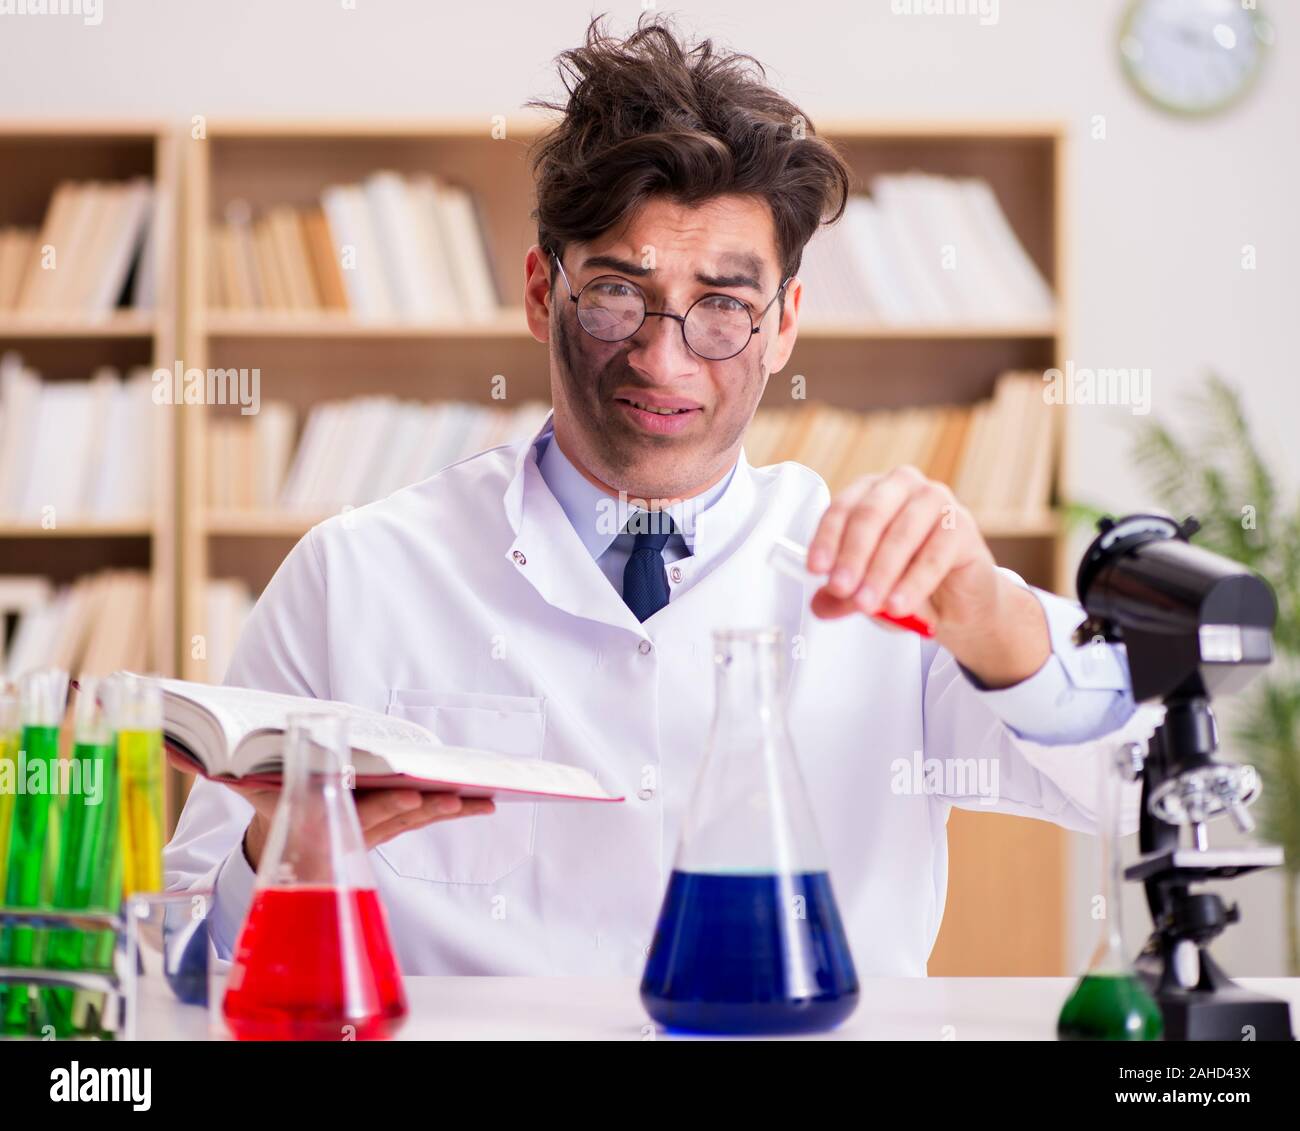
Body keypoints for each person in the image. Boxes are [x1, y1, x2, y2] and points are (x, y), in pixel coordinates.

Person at [166, 15, 1146, 977]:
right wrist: (291, 855)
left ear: (785, 323)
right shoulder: (354, 577)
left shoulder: (891, 587)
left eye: (722, 305)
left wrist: (996, 623)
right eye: (616, 294)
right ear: (543, 293)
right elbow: (178, 962)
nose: (662, 357)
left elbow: (1144, 791)